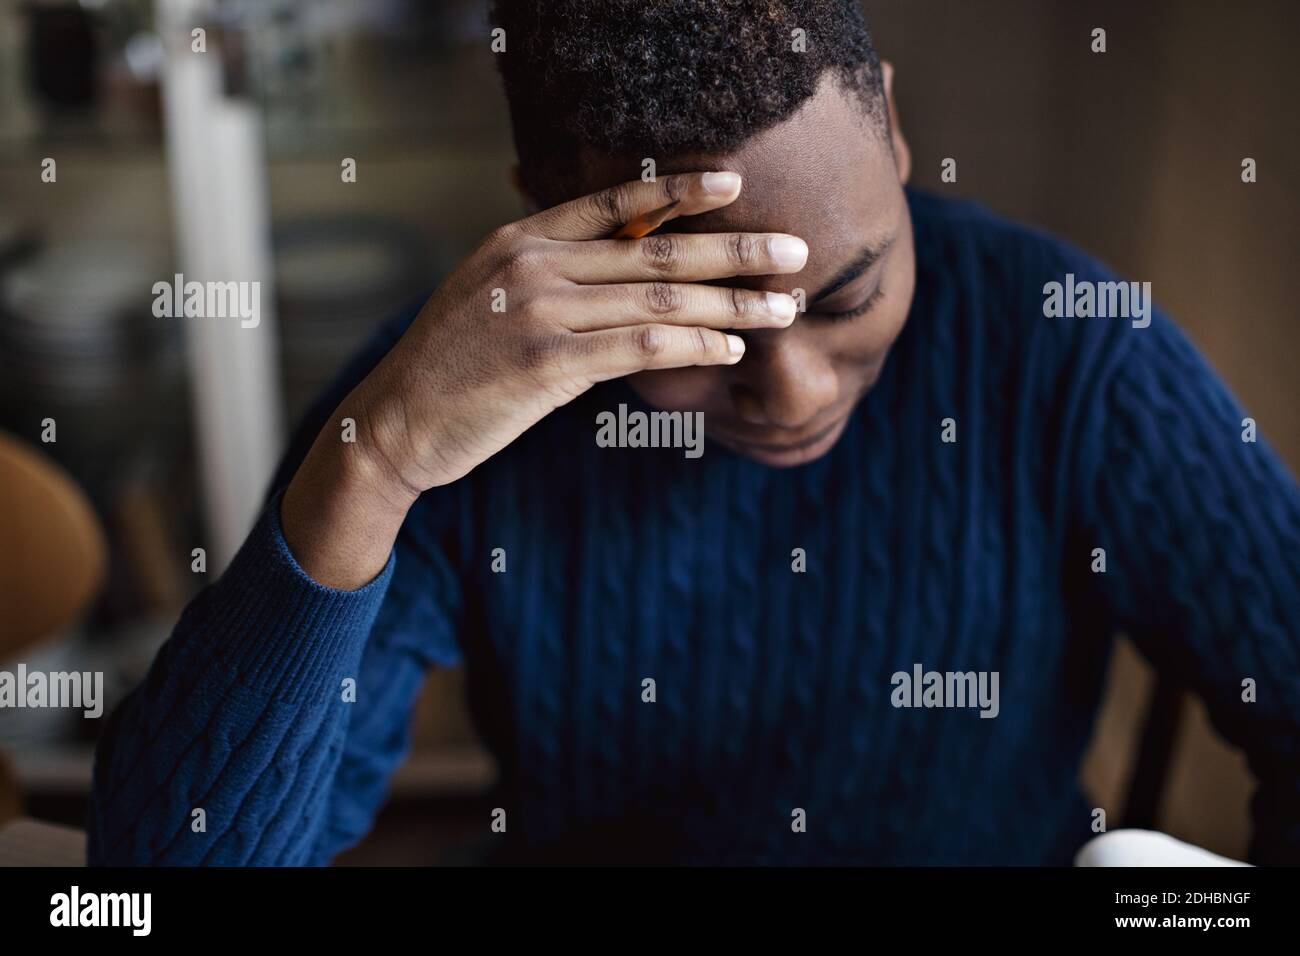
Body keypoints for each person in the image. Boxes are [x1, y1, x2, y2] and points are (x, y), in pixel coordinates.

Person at [87, 0, 1300, 865]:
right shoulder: (452, 414)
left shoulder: (1072, 348)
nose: (794, 390)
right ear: (545, 216)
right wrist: (377, 462)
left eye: (846, 297)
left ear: (888, 123)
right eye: (694, 331)